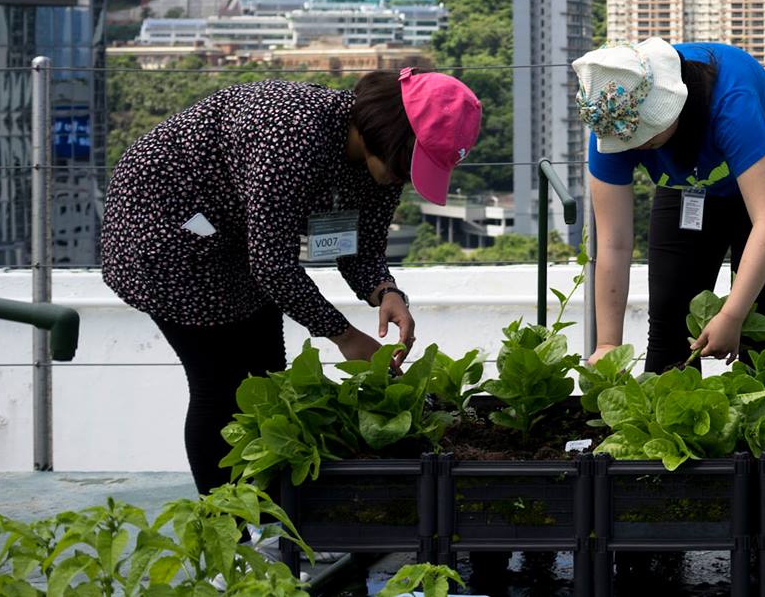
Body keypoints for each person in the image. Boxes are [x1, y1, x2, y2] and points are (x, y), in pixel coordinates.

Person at [101, 68, 481, 492]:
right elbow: (272, 265)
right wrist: (344, 336)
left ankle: (268, 507)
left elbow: (359, 244)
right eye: (408, 166)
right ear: (386, 133)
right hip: (165, 226)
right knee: (219, 384)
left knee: (268, 377)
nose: (405, 179)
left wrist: (386, 292)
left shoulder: (382, 162)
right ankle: (224, 519)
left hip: (237, 234)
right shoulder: (292, 134)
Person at [576, 38, 765, 372]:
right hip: (691, 186)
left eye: (648, 135)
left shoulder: (731, 103)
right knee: (670, 322)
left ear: (670, 105)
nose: (638, 146)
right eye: (631, 140)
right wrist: (607, 345)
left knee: (760, 325)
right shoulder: (613, 120)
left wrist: (731, 315)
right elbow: (613, 241)